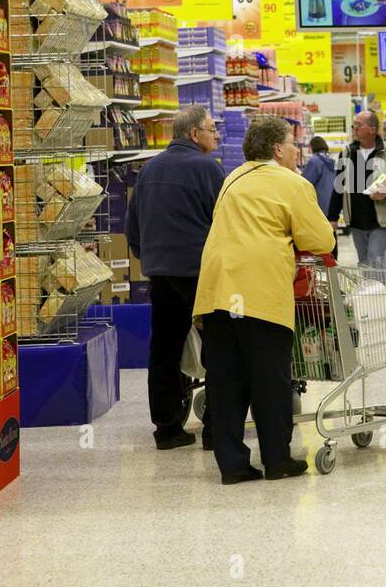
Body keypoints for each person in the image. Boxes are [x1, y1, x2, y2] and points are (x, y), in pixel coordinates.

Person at [194, 116, 336, 485]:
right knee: (270, 380)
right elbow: (322, 240)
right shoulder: (292, 183)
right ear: (277, 149)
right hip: (259, 291)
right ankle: (277, 460)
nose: (295, 151)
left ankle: (234, 465)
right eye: (292, 144)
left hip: (217, 289)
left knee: (226, 381)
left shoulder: (232, 178)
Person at [125, 106, 223, 450]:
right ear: (194, 134)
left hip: (161, 273)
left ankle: (167, 430)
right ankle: (215, 430)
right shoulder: (208, 169)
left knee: (164, 350)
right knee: (218, 348)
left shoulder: (148, 170)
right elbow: (223, 221)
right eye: (212, 129)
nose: (217, 135)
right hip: (200, 274)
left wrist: (149, 257)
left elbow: (131, 226)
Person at [329, 110, 386, 275]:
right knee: (363, 260)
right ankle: (368, 298)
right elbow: (338, 187)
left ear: (372, 129)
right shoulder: (347, 153)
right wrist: (332, 217)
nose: (354, 128)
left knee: (375, 257)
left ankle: (379, 298)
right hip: (356, 218)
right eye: (354, 125)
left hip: (381, 219)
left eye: (358, 125)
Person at [301, 136, 340, 259]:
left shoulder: (315, 161)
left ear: (313, 147)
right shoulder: (332, 160)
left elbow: (305, 181)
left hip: (319, 203)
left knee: (320, 234)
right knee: (331, 232)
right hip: (332, 201)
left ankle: (324, 259)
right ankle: (333, 258)